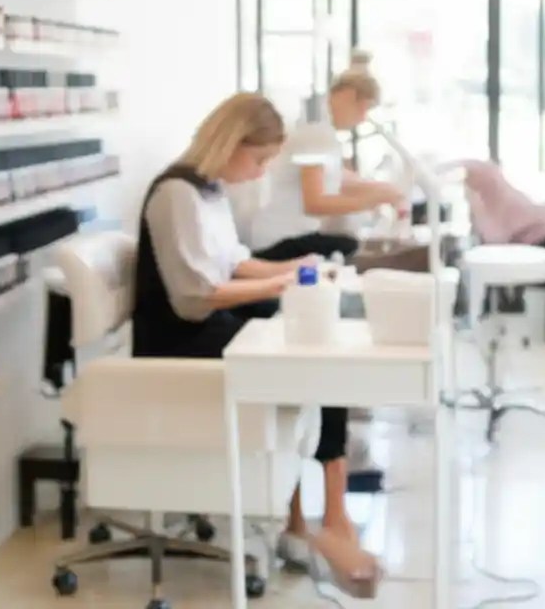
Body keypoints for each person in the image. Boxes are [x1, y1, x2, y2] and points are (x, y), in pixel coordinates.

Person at [131, 92, 379, 596]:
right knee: (301, 347)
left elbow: (236, 262)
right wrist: (280, 286)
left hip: (209, 321)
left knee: (314, 344)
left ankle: (315, 515)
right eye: (261, 159)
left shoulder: (208, 189)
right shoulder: (175, 193)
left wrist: (297, 267)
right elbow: (195, 298)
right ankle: (317, 517)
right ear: (231, 141)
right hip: (180, 341)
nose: (263, 171)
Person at [246, 51, 409, 264]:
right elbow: (315, 203)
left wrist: (386, 192)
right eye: (365, 108)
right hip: (277, 241)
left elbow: (338, 180)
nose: (362, 119)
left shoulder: (321, 131)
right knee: (348, 246)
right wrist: (375, 199)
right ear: (349, 96)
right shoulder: (316, 134)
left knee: (347, 245)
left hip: (274, 235)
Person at [456, 159, 545, 344]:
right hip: (540, 236)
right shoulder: (485, 200)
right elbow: (494, 236)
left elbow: (497, 232)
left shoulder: (496, 194)